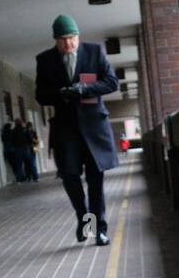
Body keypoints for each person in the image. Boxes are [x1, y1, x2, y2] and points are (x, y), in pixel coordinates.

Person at [35, 15, 119, 245]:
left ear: (78, 36)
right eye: (63, 40)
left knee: (95, 179)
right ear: (55, 40)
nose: (68, 44)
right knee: (70, 175)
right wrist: (61, 93)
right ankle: (83, 217)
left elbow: (111, 82)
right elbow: (40, 95)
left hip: (93, 127)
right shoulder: (45, 60)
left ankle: (98, 229)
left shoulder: (94, 52)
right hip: (65, 129)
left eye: (72, 38)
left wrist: (85, 89)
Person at [1, 118, 24, 182]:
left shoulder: (3, 134)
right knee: (17, 164)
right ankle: (21, 177)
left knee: (13, 165)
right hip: (13, 150)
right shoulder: (12, 132)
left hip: (7, 151)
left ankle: (17, 177)